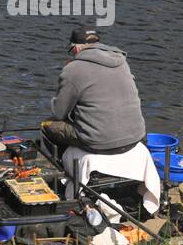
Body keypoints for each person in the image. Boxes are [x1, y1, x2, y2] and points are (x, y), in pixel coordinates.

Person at [41, 26, 146, 155]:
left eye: (71, 50)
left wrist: (66, 75)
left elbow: (58, 113)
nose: (73, 54)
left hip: (100, 143)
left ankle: (66, 165)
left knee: (47, 125)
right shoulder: (122, 61)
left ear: (77, 47)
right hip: (136, 137)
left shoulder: (73, 69)